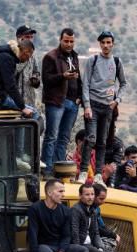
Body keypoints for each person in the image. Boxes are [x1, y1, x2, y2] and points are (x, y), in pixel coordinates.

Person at [81, 31, 126, 185]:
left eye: (108, 42)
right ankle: (83, 171)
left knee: (102, 142)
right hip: (93, 104)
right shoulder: (92, 60)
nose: (106, 45)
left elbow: (123, 83)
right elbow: (85, 84)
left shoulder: (117, 62)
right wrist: (87, 106)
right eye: (103, 42)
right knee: (91, 139)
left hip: (108, 107)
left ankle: (98, 174)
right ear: (99, 44)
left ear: (112, 44)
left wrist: (117, 100)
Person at [27, 179, 87, 252]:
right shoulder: (35, 208)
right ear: (49, 192)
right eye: (60, 191)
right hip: (43, 246)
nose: (63, 195)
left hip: (59, 247)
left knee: (83, 251)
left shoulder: (66, 211)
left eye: (63, 191)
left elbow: (66, 235)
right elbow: (32, 234)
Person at [41, 28, 82, 170]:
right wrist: (63, 76)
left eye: (71, 41)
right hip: (56, 102)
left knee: (64, 138)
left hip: (73, 102)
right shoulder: (50, 57)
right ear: (60, 40)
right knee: (51, 136)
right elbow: (46, 80)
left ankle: (59, 170)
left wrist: (80, 97)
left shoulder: (74, 56)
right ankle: (47, 169)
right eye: (66, 41)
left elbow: (78, 78)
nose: (69, 44)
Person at [0, 38, 35, 117]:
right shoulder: (6, 59)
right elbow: (10, 86)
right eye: (29, 56)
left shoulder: (7, 56)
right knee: (33, 113)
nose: (28, 59)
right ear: (25, 52)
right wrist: (23, 107)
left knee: (23, 114)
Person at [71, 183, 122, 252]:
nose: (90, 197)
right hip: (82, 245)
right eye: (87, 195)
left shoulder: (93, 211)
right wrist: (78, 249)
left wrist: (101, 248)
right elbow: (74, 232)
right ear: (80, 196)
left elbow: (96, 232)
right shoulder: (76, 210)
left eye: (92, 194)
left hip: (91, 244)